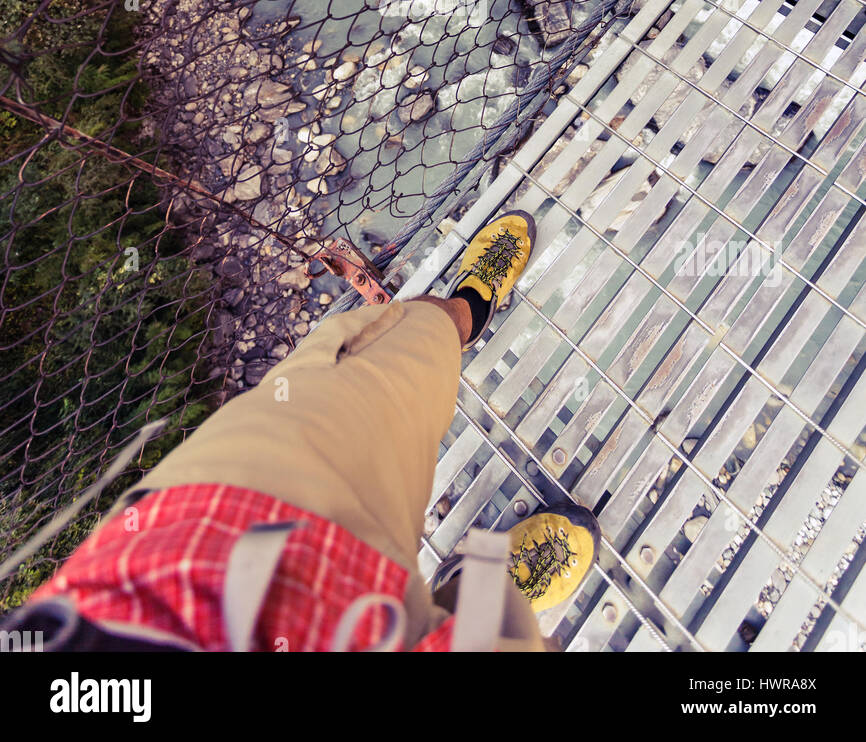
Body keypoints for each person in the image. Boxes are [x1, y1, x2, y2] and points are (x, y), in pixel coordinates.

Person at [7, 211, 600, 652]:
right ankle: (490, 596)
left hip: (185, 555)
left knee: (406, 343)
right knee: (508, 635)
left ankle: (468, 306)